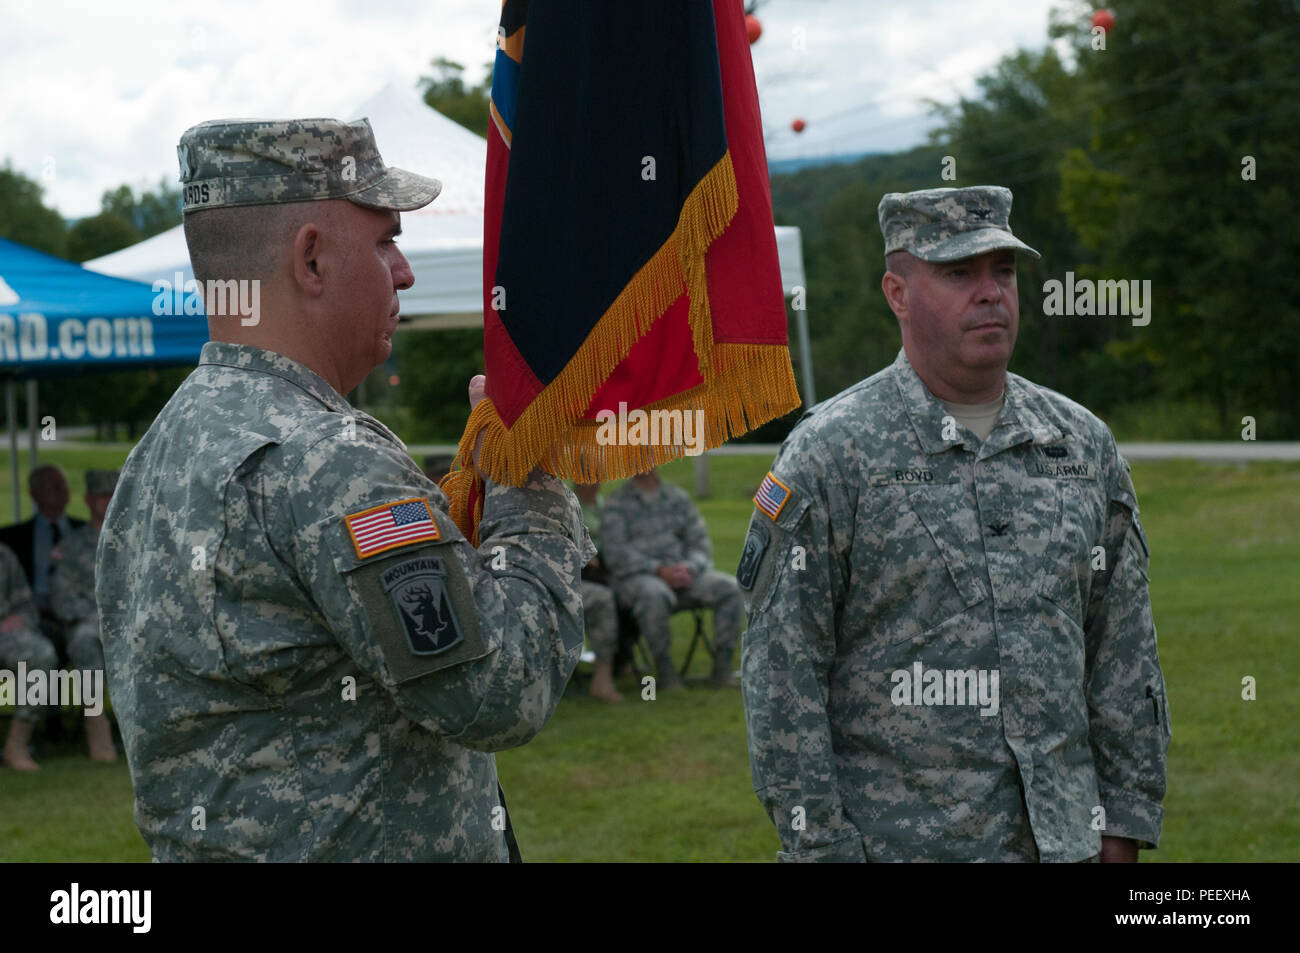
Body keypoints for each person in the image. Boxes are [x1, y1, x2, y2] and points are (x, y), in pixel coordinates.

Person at [95, 118, 592, 862]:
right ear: (313, 259)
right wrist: (529, 477)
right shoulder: (329, 458)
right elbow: (499, 692)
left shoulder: (160, 450)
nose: (405, 271)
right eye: (386, 239)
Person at [739, 186, 1169, 862]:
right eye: (958, 273)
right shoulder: (832, 454)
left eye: (1003, 270)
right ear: (898, 292)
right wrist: (821, 848)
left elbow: (1122, 647)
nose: (991, 292)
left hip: (1065, 844)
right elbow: (782, 676)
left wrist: (1123, 821)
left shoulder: (1080, 444)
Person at [602, 467, 743, 689]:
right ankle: (666, 672)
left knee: (731, 588)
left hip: (683, 576)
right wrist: (658, 569)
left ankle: (722, 670)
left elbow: (700, 544)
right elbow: (615, 553)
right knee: (654, 594)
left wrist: (688, 568)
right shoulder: (616, 504)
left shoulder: (678, 499)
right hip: (639, 578)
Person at [49, 469, 120, 762]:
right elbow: (63, 600)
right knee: (85, 641)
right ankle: (98, 732)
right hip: (87, 625)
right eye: (100, 496)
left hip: (131, 624)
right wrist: (99, 621)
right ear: (88, 500)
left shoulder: (136, 544)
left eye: (111, 495)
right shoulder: (70, 546)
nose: (106, 502)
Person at [0, 465, 85, 625]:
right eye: (51, 485)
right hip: (32, 610)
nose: (60, 489)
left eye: (63, 484)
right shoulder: (10, 537)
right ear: (33, 493)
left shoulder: (84, 531)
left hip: (77, 608)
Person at [0, 542, 52, 771]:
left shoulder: (4, 555)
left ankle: (16, 746)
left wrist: (20, 619)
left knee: (42, 654)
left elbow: (25, 605)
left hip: (4, 634)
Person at [574, 482, 620, 702]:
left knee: (634, 590)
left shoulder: (602, 504)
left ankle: (625, 660)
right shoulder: (571, 504)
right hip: (578, 575)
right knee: (604, 598)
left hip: (605, 569)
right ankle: (602, 677)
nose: (594, 479)